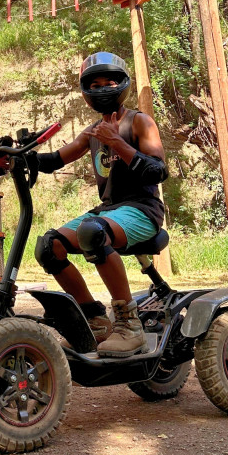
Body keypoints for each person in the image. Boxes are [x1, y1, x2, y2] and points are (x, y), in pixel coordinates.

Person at [31, 52, 168, 356]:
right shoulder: (92, 132)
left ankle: (129, 324)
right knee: (49, 246)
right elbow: (54, 159)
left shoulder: (140, 122)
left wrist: (117, 141)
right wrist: (18, 158)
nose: (103, 87)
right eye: (95, 83)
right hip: (109, 211)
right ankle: (95, 321)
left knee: (93, 233)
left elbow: (159, 171)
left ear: (122, 85)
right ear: (86, 91)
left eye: (110, 81)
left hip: (143, 210)